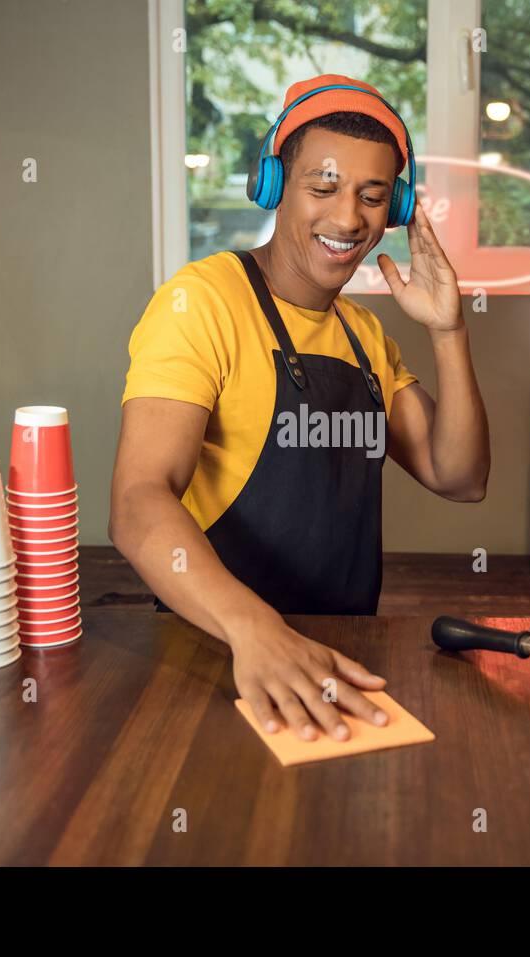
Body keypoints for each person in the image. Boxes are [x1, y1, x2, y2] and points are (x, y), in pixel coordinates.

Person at [110, 74, 489, 742]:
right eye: (323, 188)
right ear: (273, 185)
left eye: (373, 197)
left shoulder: (362, 335)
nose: (348, 219)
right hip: (219, 650)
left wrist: (449, 331)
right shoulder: (200, 302)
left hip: (335, 658)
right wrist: (256, 628)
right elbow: (139, 501)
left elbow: (459, 475)